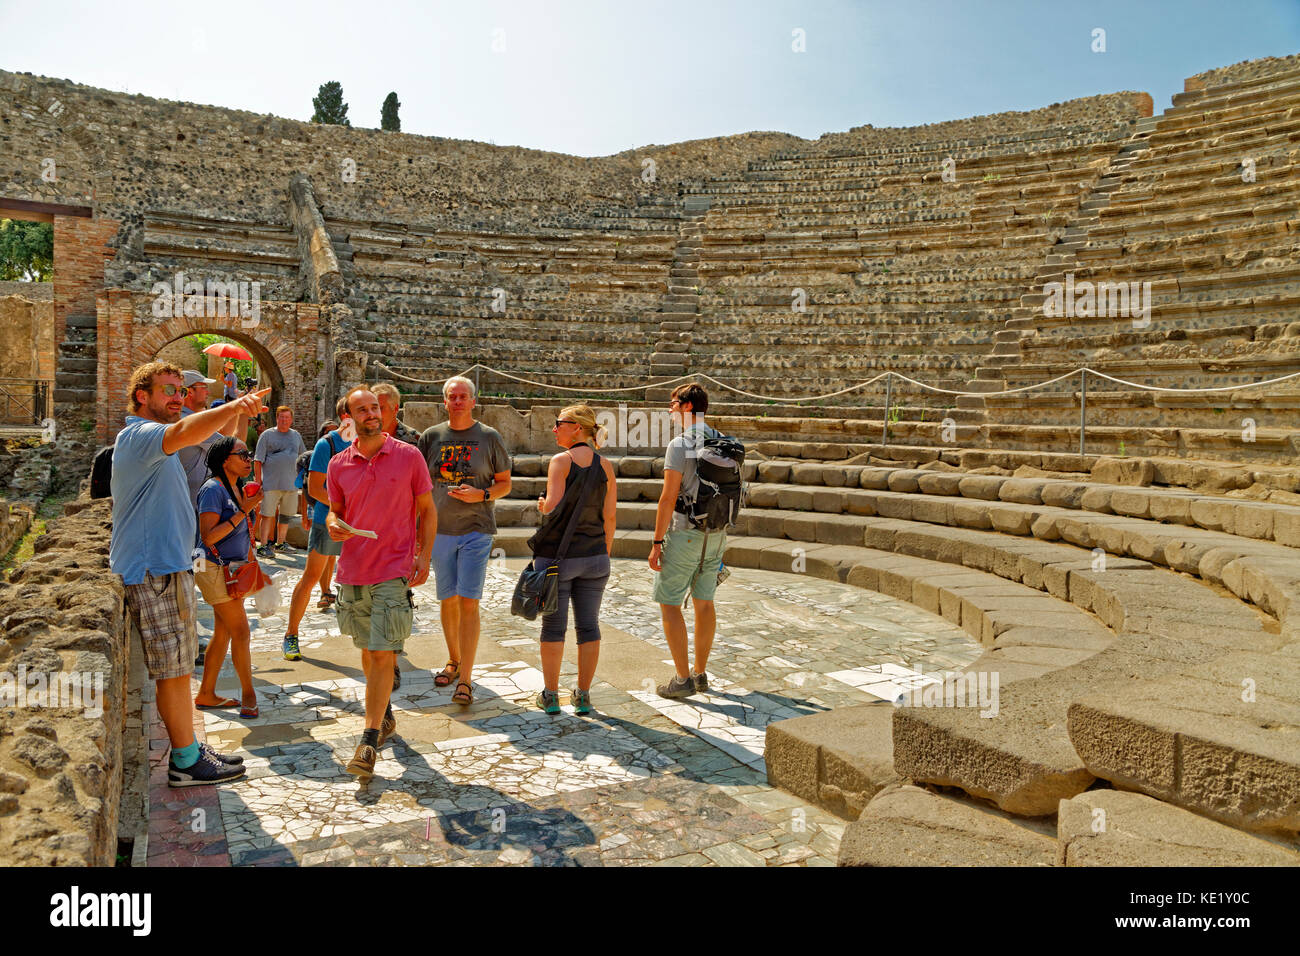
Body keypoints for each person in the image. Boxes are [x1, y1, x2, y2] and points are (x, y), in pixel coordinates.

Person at [109, 360, 268, 787]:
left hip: (169, 568)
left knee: (179, 668)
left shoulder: (157, 441)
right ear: (142, 396)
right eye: (168, 391)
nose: (178, 398)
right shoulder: (142, 435)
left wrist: (236, 411)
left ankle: (191, 749)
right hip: (153, 570)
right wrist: (241, 403)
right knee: (173, 670)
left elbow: (221, 444)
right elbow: (187, 432)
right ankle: (184, 761)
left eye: (181, 391)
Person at [327, 387, 435, 782]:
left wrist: (422, 557)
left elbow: (427, 510)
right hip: (353, 569)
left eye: (376, 407)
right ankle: (384, 714)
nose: (372, 413)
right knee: (369, 653)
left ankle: (368, 740)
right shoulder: (339, 464)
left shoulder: (409, 456)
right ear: (349, 416)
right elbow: (334, 512)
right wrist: (333, 525)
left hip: (393, 569)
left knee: (382, 651)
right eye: (363, 409)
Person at [416, 375, 512, 705]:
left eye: (462, 396)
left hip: (476, 528)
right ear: (444, 402)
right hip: (440, 529)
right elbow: (419, 486)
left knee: (468, 601)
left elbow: (504, 484)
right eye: (451, 397)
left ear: (473, 401)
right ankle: (453, 660)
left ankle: (466, 679)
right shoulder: (431, 437)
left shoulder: (489, 437)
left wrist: (481, 494)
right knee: (448, 599)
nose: (457, 401)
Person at [532, 405, 617, 715]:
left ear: (577, 428)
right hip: (595, 557)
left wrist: (542, 504)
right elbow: (609, 516)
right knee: (588, 626)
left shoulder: (561, 462)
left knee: (554, 628)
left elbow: (551, 507)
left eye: (559, 424)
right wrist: (603, 553)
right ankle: (582, 695)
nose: (555, 429)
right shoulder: (606, 465)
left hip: (559, 558)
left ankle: (551, 696)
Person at [650, 383, 727, 698]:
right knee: (705, 602)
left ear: (686, 407)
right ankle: (700, 673)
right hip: (717, 534)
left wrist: (656, 543)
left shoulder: (679, 445)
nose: (670, 409)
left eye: (673, 403)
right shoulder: (724, 442)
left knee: (669, 604)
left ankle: (682, 680)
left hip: (685, 534)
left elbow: (668, 498)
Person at [192, 437, 263, 718]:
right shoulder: (213, 490)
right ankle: (249, 694)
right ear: (224, 460)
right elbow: (209, 536)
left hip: (230, 569)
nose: (248, 459)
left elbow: (240, 529)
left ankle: (207, 693)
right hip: (210, 567)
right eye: (242, 454)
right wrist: (245, 510)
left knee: (223, 631)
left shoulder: (237, 487)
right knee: (241, 632)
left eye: (249, 454)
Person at [282, 400, 352, 660]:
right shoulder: (328, 444)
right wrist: (344, 507)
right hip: (328, 520)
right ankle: (291, 634)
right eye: (362, 410)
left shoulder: (368, 442)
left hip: (360, 524)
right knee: (311, 576)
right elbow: (314, 489)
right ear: (346, 414)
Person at [371, 382, 420, 690]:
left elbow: (421, 493)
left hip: (399, 535)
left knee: (397, 600)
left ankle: (393, 661)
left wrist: (419, 545)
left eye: (380, 407)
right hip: (365, 535)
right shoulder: (358, 437)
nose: (373, 413)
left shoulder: (412, 441)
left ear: (394, 410)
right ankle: (378, 656)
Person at [253, 405, 305, 557]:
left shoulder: (296, 435)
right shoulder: (267, 435)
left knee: (285, 516)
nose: (284, 420)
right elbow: (257, 460)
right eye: (282, 417)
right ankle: (263, 545)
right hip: (271, 483)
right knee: (267, 515)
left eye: (287, 417)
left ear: (291, 419)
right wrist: (258, 483)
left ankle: (280, 543)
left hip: (291, 484)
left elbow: (303, 457)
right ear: (277, 418)